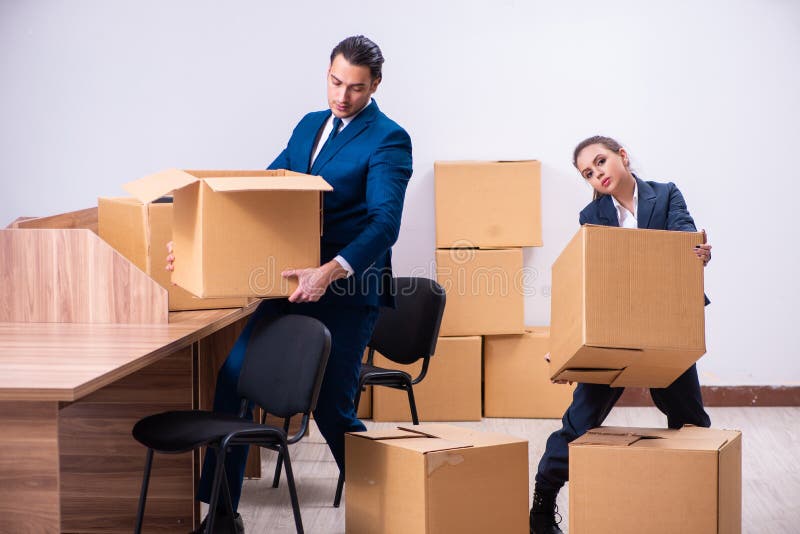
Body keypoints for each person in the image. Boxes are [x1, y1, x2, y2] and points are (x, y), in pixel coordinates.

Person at [168, 35, 413, 534]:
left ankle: (402, 510)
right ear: (327, 72)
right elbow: (263, 193)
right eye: (336, 82)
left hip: (343, 293)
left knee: (331, 409)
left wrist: (330, 270)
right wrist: (197, 242)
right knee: (232, 382)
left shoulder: (389, 138)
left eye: (357, 88)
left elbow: (386, 223)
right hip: (288, 288)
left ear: (376, 87)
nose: (343, 96)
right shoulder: (308, 126)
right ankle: (222, 516)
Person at [529, 135, 712, 534]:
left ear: (623, 157)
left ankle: (692, 505)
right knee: (579, 423)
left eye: (601, 162)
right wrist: (566, 347)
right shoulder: (591, 216)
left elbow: (684, 240)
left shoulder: (665, 196)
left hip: (665, 329)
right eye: (588, 173)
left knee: (692, 422)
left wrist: (698, 251)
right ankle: (542, 502)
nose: (598, 175)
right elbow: (587, 282)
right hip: (612, 334)